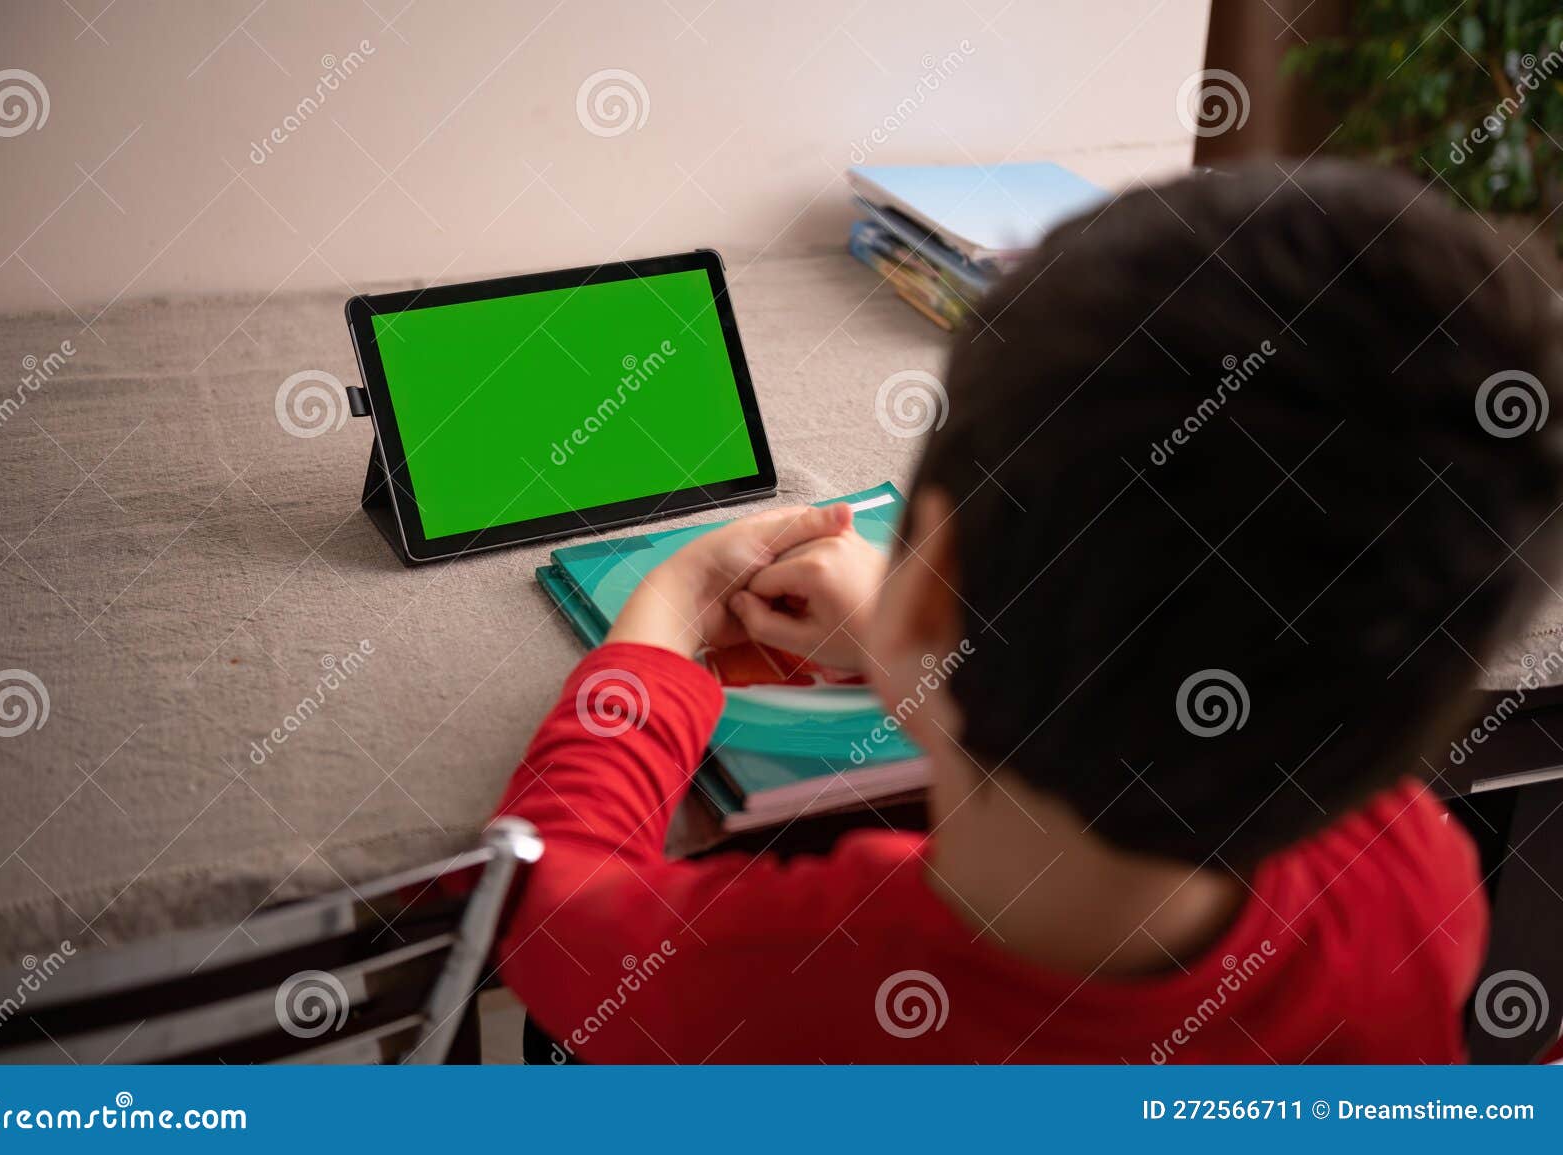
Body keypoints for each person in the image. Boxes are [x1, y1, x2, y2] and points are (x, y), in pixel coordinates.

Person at [493, 161, 1563, 1062]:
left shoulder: (779, 983)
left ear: (931, 569)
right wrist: (925, 638)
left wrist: (666, 613)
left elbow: (552, 923)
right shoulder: (1412, 878)